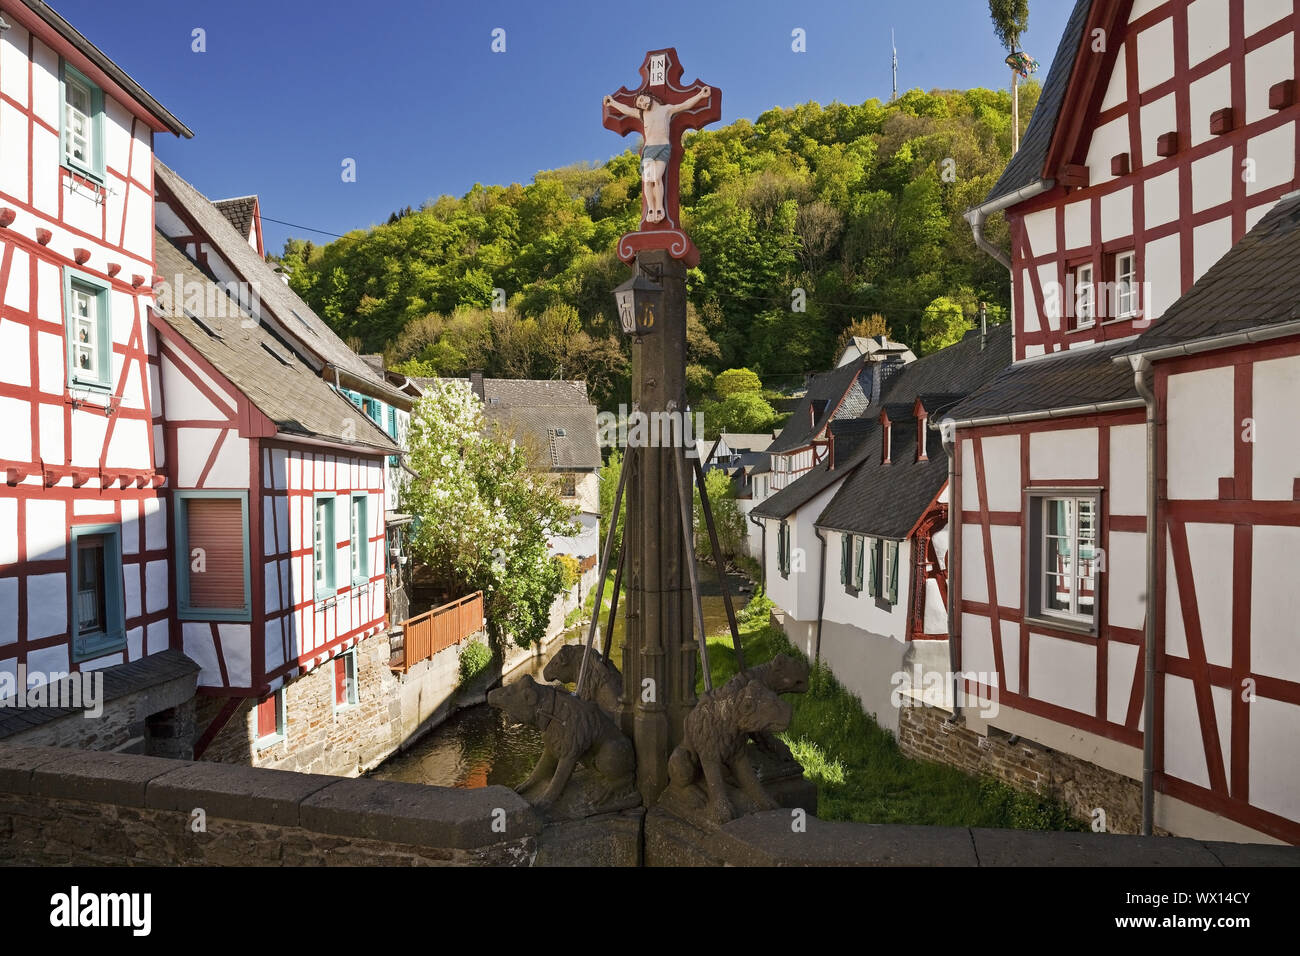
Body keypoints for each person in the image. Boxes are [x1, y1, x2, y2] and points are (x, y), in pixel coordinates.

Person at [604, 86, 711, 223]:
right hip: (649, 149)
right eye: (639, 104)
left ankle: (659, 207)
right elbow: (627, 110)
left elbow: (685, 105)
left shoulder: (666, 109)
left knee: (656, 177)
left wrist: (701, 95)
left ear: (648, 96)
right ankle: (651, 209)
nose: (642, 104)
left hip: (662, 147)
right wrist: (612, 102)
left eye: (642, 100)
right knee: (647, 181)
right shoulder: (642, 114)